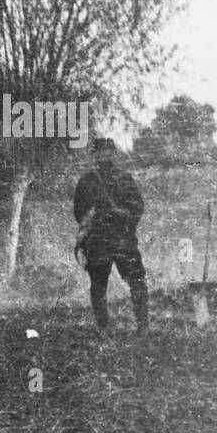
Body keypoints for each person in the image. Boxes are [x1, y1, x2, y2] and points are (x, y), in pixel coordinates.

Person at [74, 135, 149, 334]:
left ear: (113, 154)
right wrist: (95, 215)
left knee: (136, 280)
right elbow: (79, 213)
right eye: (100, 152)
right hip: (100, 241)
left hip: (122, 239)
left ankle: (143, 327)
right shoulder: (86, 182)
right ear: (94, 156)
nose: (103, 156)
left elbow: (138, 208)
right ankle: (104, 329)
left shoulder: (125, 179)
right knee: (99, 285)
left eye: (107, 152)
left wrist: (118, 213)